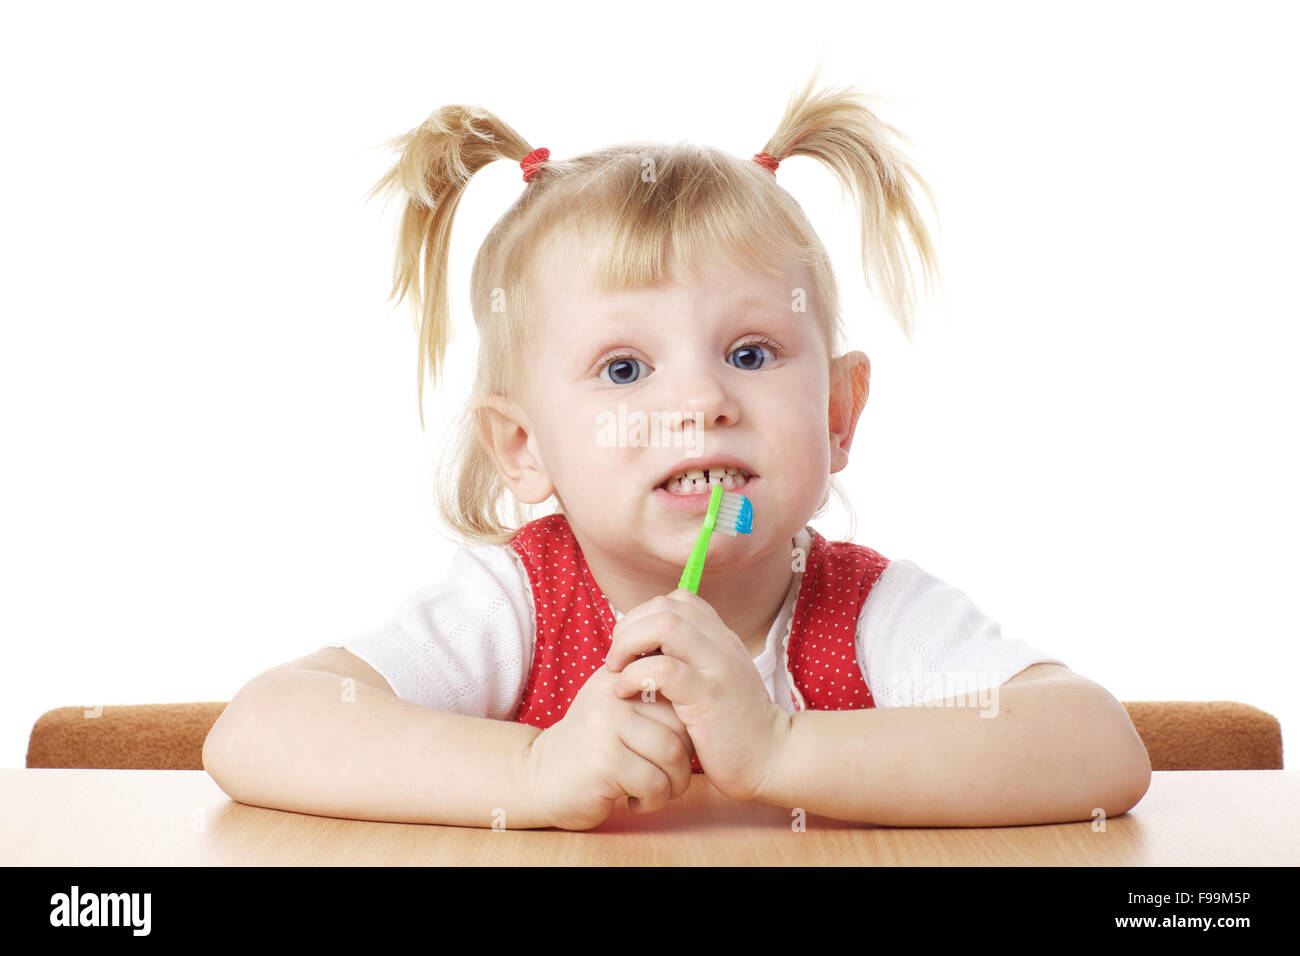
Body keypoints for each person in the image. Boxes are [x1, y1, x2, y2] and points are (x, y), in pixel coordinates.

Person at [203, 72, 1151, 832]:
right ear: (523, 447)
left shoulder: (871, 617)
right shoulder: (512, 608)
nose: (700, 402)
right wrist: (535, 771)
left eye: (749, 353)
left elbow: (1098, 749)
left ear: (837, 414)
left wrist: (779, 749)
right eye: (624, 369)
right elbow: (260, 729)